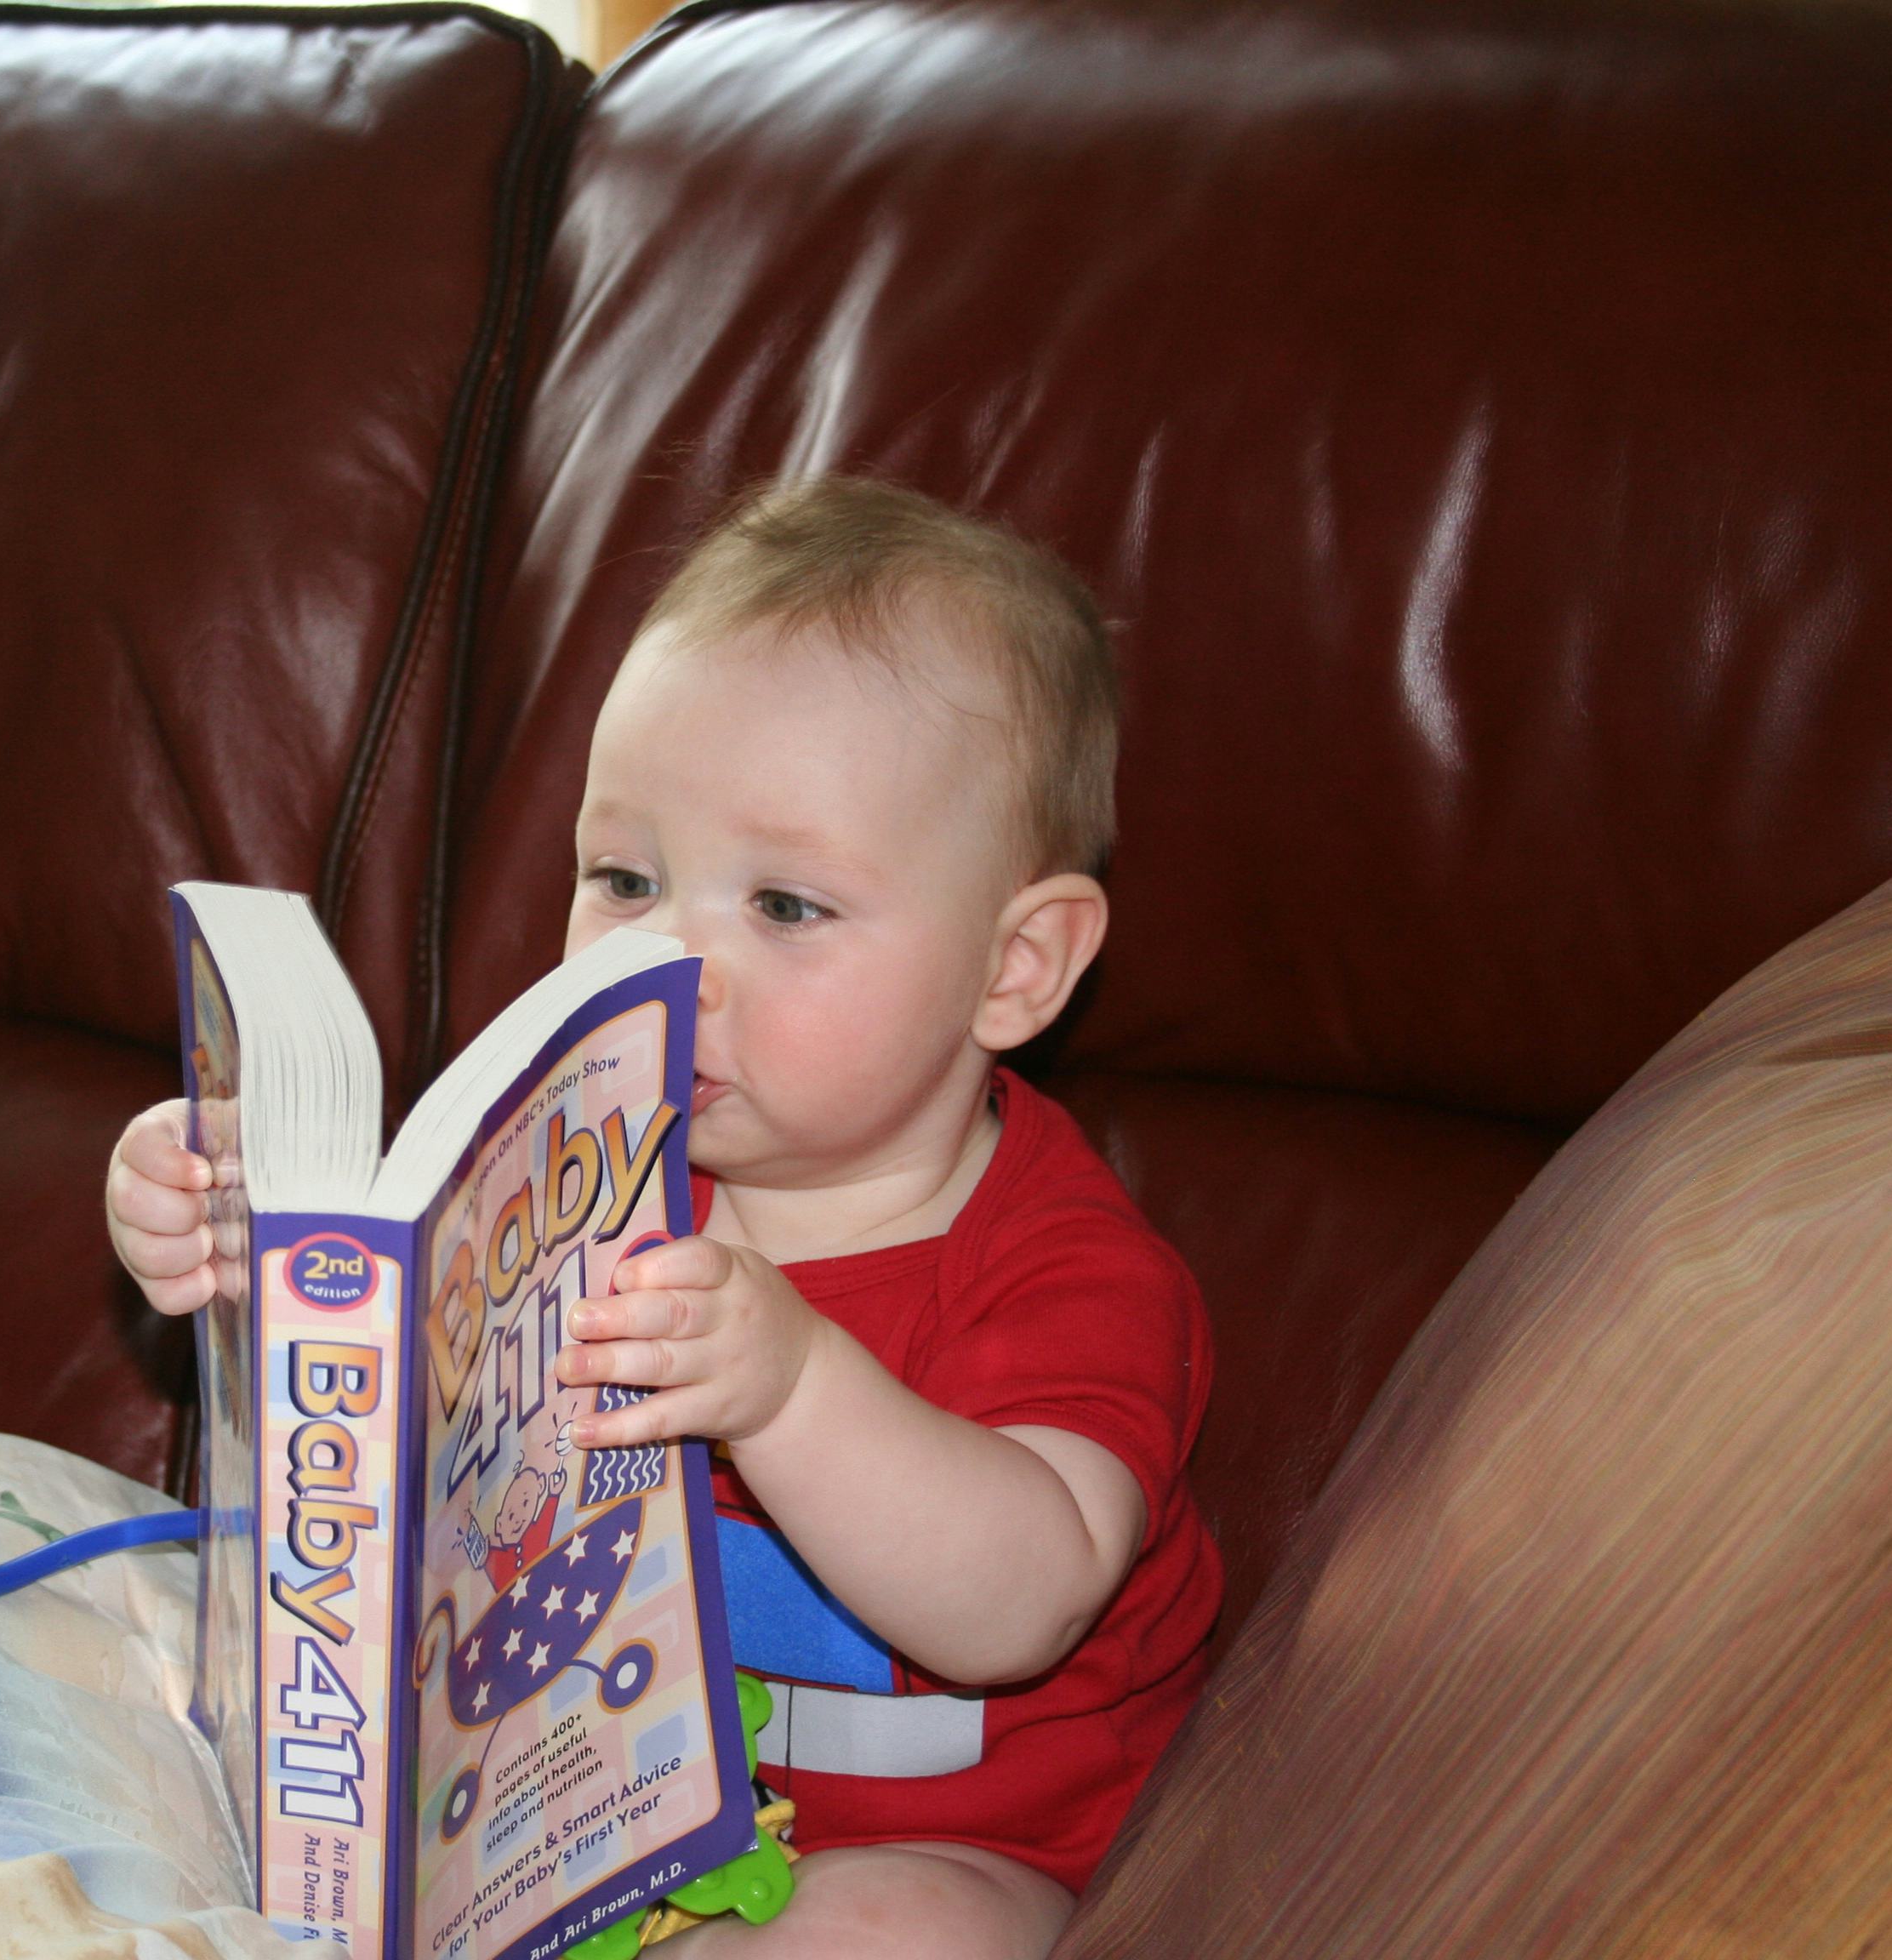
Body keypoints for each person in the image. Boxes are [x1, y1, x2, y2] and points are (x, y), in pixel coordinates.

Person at [105, 477, 1220, 1957]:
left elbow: (1023, 1602)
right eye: (625, 880)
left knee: (904, 1933)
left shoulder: (1070, 1271)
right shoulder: (570, 1176)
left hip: (966, 1844)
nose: (668, 963)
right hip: (571, 1812)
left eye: (787, 906)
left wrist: (796, 1387)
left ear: (1015, 967)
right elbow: (395, 1407)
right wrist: (249, 1240)